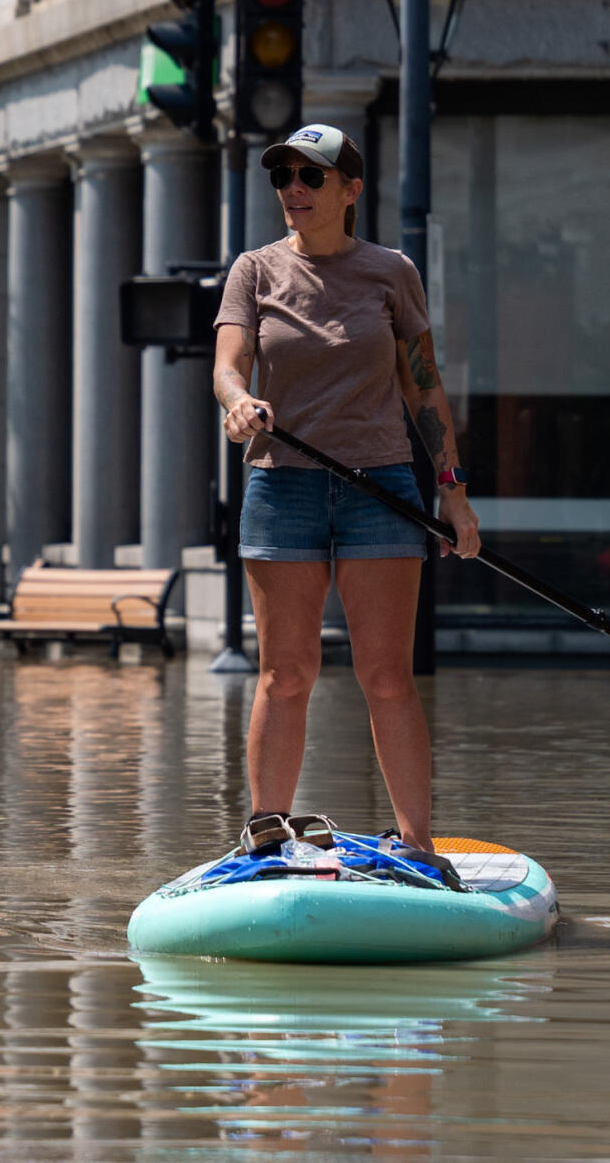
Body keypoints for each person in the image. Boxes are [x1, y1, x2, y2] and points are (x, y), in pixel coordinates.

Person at [211, 123, 481, 883]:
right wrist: (238, 402)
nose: (293, 190)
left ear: (351, 191)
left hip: (382, 489)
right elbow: (229, 367)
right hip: (281, 484)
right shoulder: (253, 272)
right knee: (284, 674)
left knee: (386, 676)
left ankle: (418, 846)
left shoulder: (391, 273)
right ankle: (266, 839)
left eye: (311, 177)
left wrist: (454, 495)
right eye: (283, 177)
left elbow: (422, 388)